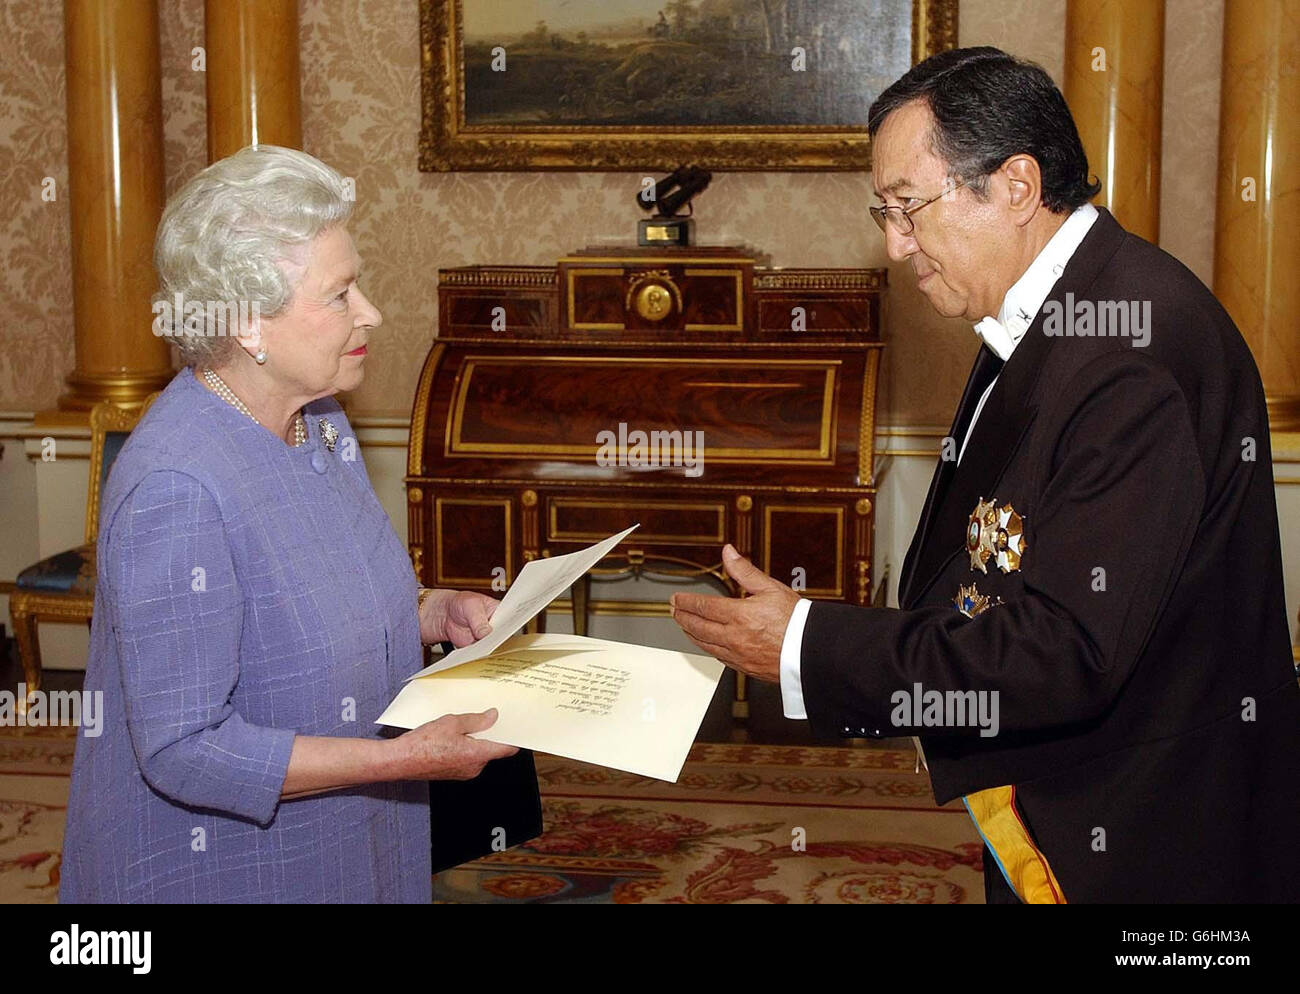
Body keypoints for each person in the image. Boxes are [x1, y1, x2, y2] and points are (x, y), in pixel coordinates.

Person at [670, 47, 1300, 903]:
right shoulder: (1062, 309)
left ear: (1014, 185)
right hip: (1064, 802)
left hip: (1141, 836)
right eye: (881, 213)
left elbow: (1065, 653)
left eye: (908, 208)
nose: (894, 246)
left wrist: (808, 646)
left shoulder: (1132, 354)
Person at [60, 145, 516, 903]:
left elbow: (326, 601)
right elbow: (182, 751)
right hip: (230, 868)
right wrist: (401, 762)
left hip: (356, 833)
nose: (370, 310)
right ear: (247, 324)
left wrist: (435, 612)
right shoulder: (178, 487)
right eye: (340, 294)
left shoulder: (322, 423)